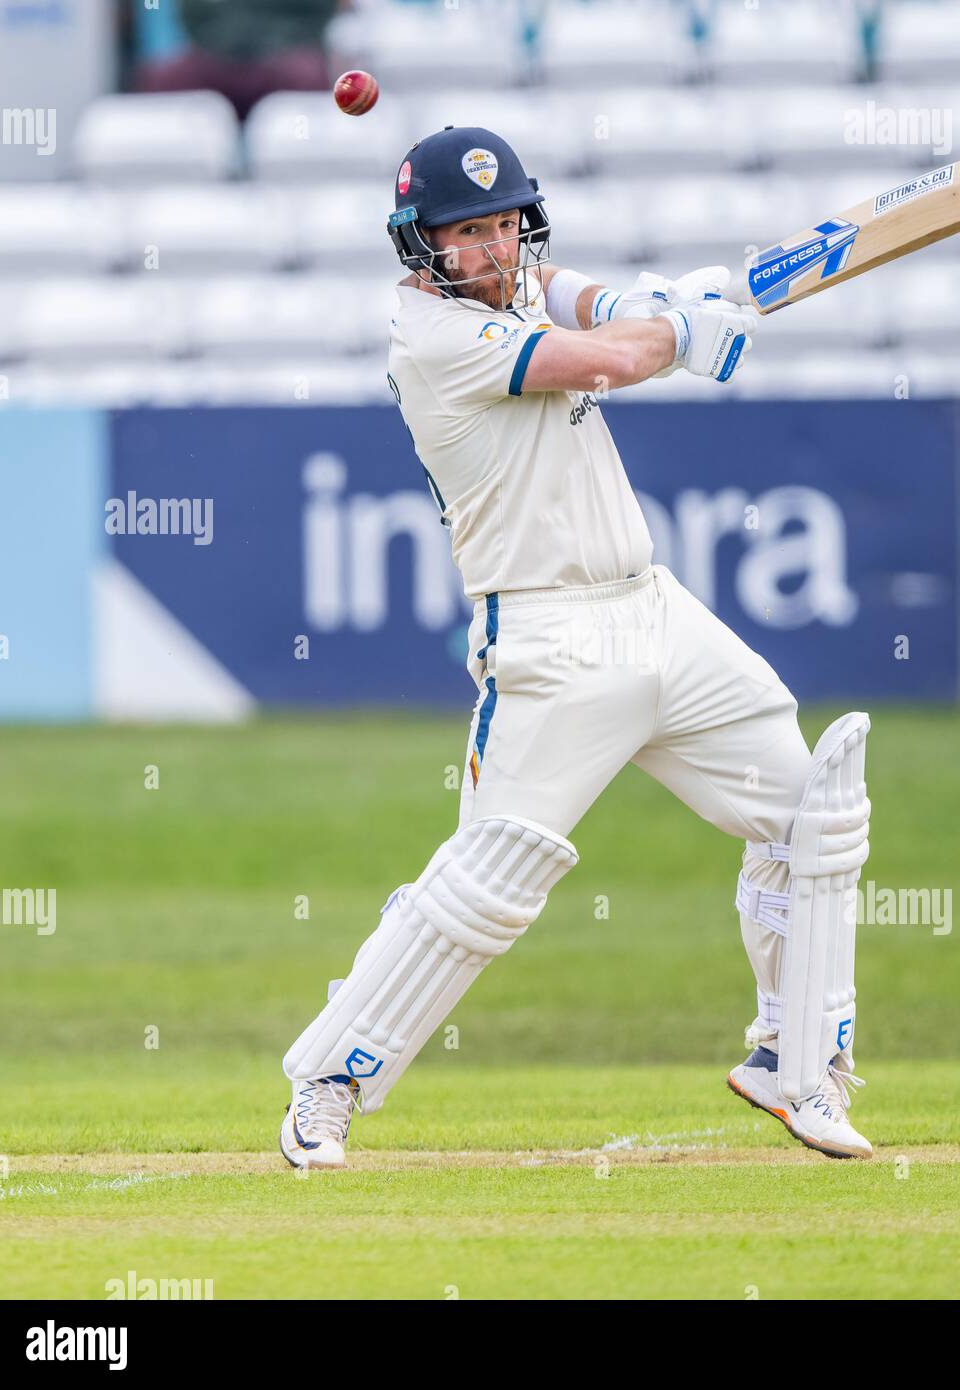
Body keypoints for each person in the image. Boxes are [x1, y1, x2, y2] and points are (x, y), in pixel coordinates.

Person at [279, 126, 874, 1168]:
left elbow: (577, 299)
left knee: (812, 813)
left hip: (654, 606)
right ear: (420, 247)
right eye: (467, 233)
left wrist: (644, 300)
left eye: (505, 223)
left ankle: (798, 1062)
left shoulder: (510, 280)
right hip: (547, 637)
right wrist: (673, 331)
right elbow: (606, 359)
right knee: (485, 886)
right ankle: (328, 1079)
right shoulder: (434, 339)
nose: (496, 249)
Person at [137, 0, 339, 120]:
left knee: (307, 75)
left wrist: (272, 43)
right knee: (162, 77)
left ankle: (302, 171)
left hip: (284, 53)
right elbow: (191, 14)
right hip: (213, 54)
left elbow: (317, 13)